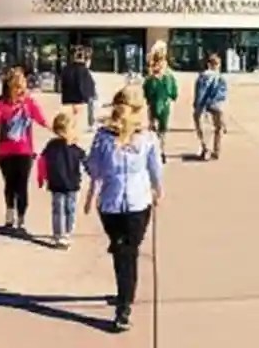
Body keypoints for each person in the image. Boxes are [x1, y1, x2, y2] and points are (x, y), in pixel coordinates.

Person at [84, 86, 164, 332]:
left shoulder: (103, 137)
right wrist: (158, 189)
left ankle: (124, 292)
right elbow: (155, 168)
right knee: (129, 252)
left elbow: (94, 169)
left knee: (124, 251)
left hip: (110, 203)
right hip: (138, 203)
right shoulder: (148, 138)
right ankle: (124, 305)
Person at [0, 69, 50, 231]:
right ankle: (10, 212)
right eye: (17, 87)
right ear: (9, 87)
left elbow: (42, 120)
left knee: (22, 185)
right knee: (9, 184)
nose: (21, 91)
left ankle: (21, 218)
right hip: (5, 151)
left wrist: (58, 130)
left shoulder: (29, 103)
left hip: (25, 151)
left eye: (23, 87)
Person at [37, 113, 86, 248]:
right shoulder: (53, 145)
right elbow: (42, 161)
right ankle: (60, 234)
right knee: (62, 209)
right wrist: (41, 178)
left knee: (66, 209)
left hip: (68, 184)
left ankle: (65, 233)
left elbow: (87, 163)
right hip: (61, 184)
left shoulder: (75, 149)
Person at [142, 51, 178, 163]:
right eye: (157, 63)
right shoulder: (150, 79)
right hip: (153, 106)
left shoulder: (168, 78)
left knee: (162, 130)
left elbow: (174, 93)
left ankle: (161, 151)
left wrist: (170, 97)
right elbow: (146, 93)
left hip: (164, 107)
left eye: (162, 62)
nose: (160, 65)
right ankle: (154, 151)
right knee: (153, 130)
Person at [192, 53, 229, 160]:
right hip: (217, 104)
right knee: (219, 128)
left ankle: (206, 148)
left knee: (202, 126)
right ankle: (217, 150)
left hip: (203, 104)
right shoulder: (221, 78)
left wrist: (197, 105)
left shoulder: (202, 77)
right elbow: (223, 94)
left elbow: (199, 92)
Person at [60, 46, 97, 130]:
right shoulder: (83, 70)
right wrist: (86, 97)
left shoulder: (66, 69)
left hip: (67, 99)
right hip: (79, 99)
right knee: (76, 123)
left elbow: (62, 83)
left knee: (69, 122)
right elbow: (84, 85)